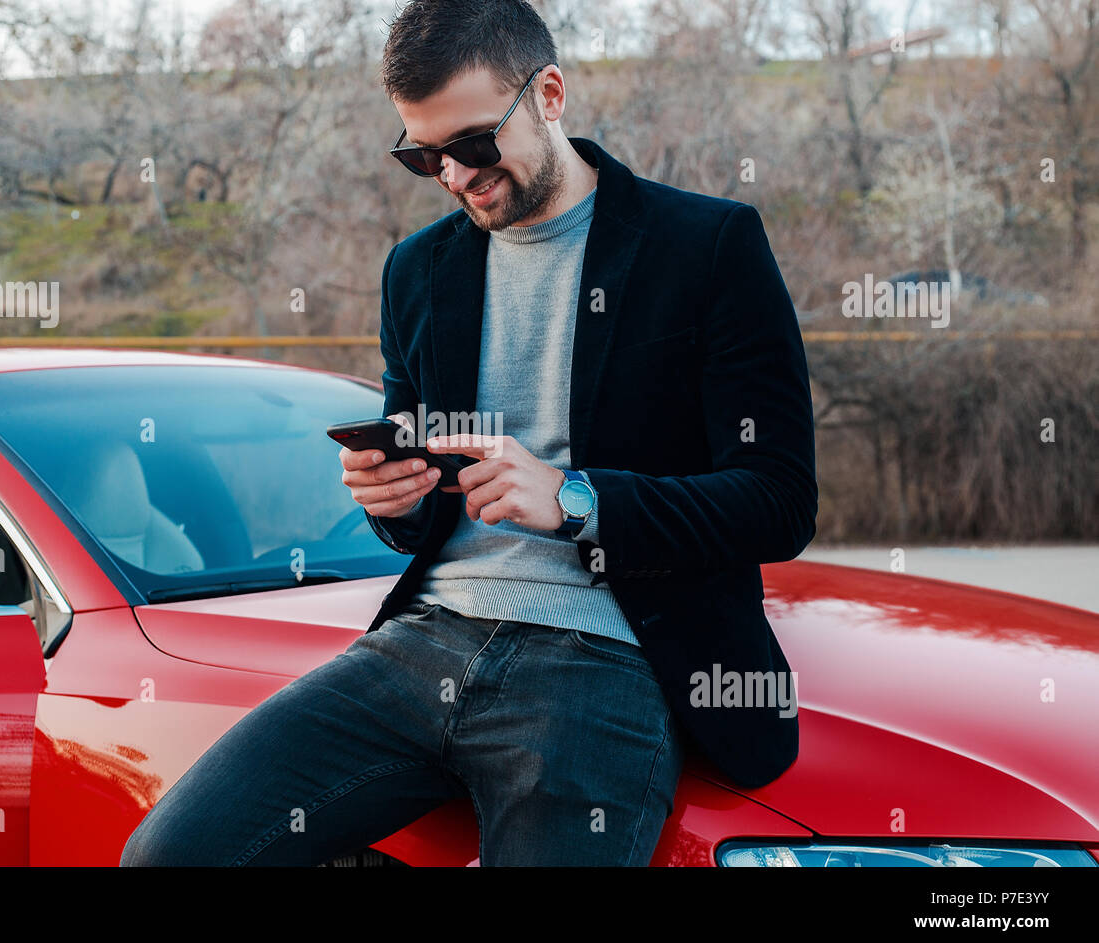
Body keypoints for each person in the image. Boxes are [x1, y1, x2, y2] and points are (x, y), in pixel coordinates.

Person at [120, 0, 816, 867]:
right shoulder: (418, 272)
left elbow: (780, 499)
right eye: (424, 156)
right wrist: (393, 501)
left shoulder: (708, 246)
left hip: (607, 660)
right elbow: (420, 503)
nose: (453, 176)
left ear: (550, 94)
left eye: (475, 145)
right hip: (420, 643)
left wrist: (577, 499)